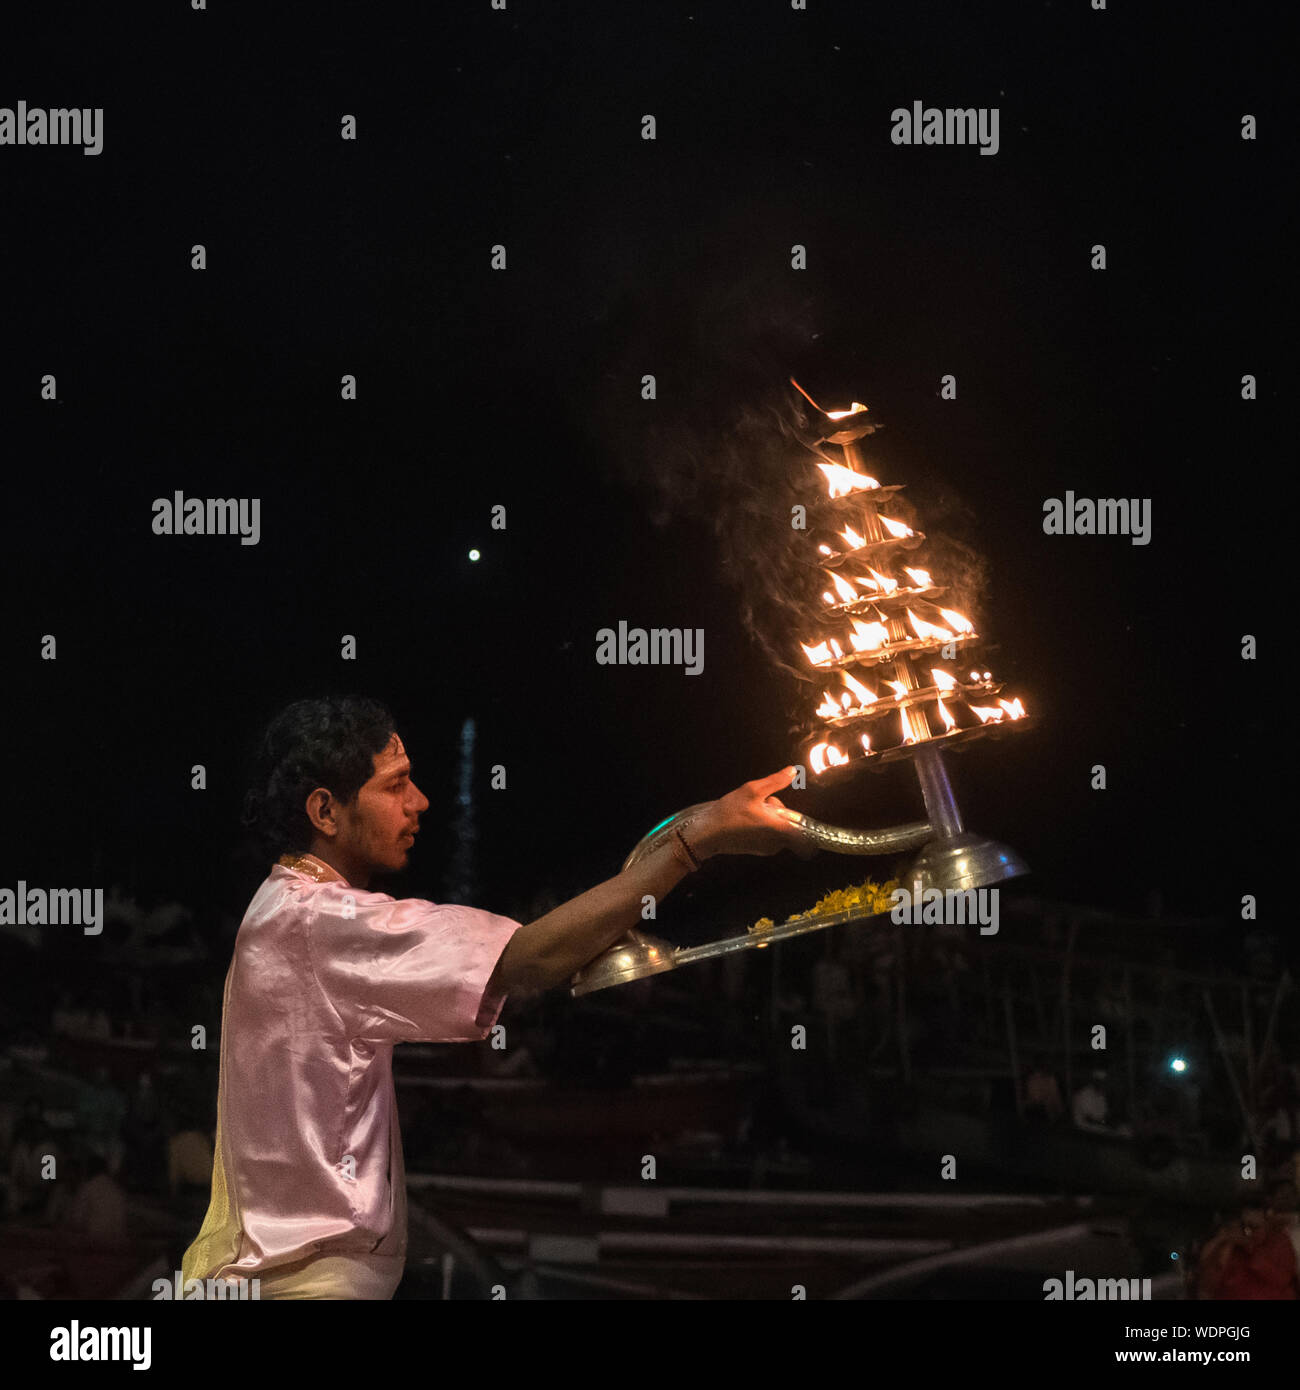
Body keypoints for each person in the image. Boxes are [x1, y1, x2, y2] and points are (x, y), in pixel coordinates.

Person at [182, 694, 808, 1299]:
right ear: (326, 812)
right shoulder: (319, 921)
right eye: (395, 784)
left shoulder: (281, 907)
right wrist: (693, 844)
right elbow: (530, 961)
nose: (420, 802)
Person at [1195, 1199, 1299, 1299]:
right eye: (1244, 1227)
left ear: (1267, 1224)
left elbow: (1281, 1279)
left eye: (1254, 1227)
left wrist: (1251, 1249)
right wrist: (1223, 1242)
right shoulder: (1230, 1245)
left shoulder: (1280, 1242)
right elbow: (1207, 1285)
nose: (1248, 1232)